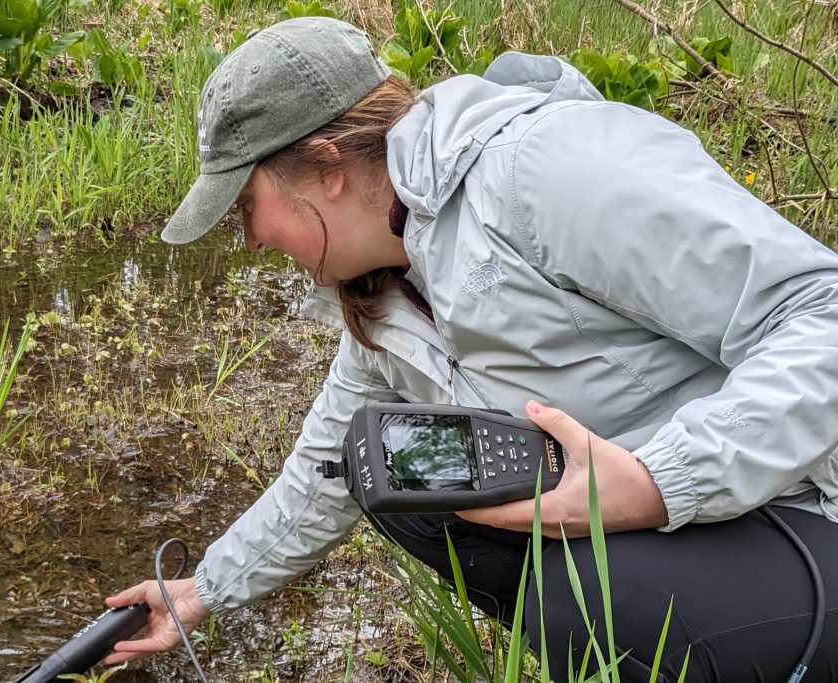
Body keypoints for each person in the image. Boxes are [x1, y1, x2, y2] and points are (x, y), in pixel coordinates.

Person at [104, 17, 838, 681]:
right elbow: (324, 468)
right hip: (679, 519)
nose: (252, 241)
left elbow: (821, 315)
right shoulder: (388, 284)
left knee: (586, 605)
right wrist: (203, 591)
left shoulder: (543, 169)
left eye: (246, 208)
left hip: (804, 505)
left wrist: (654, 481)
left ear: (326, 164)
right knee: (389, 461)